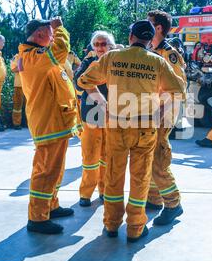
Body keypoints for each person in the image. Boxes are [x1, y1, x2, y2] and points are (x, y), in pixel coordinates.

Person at [77, 20, 185, 242]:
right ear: (149, 39)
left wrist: (103, 102)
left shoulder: (112, 58)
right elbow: (178, 91)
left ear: (130, 37)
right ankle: (135, 227)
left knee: (114, 176)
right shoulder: (157, 62)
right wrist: (159, 110)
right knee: (140, 177)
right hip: (145, 127)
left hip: (117, 126)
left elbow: (83, 80)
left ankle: (111, 224)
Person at [18, 17, 81, 235]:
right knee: (45, 171)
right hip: (48, 123)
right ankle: (37, 218)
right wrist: (60, 27)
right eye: (50, 32)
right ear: (39, 34)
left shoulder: (39, 56)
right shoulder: (33, 56)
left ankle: (50, 206)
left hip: (57, 122)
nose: (53, 36)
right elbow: (62, 48)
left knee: (54, 169)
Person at [144, 10, 186, 225]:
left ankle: (173, 203)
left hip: (163, 111)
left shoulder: (168, 53)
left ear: (158, 28)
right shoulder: (150, 50)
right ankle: (154, 198)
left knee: (159, 156)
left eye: (149, 23)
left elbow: (179, 86)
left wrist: (161, 109)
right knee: (150, 153)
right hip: (151, 110)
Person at [73, 31, 115, 207]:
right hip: (91, 114)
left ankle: (104, 191)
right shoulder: (88, 62)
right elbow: (77, 82)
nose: (99, 47)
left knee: (107, 155)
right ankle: (85, 194)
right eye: (96, 44)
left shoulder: (117, 63)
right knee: (90, 155)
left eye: (103, 44)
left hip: (112, 115)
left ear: (111, 45)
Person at [10, 54, 25, 130]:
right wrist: (25, 67)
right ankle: (16, 124)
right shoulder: (17, 56)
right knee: (17, 105)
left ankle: (30, 123)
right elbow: (13, 69)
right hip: (19, 85)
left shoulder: (35, 54)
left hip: (32, 85)